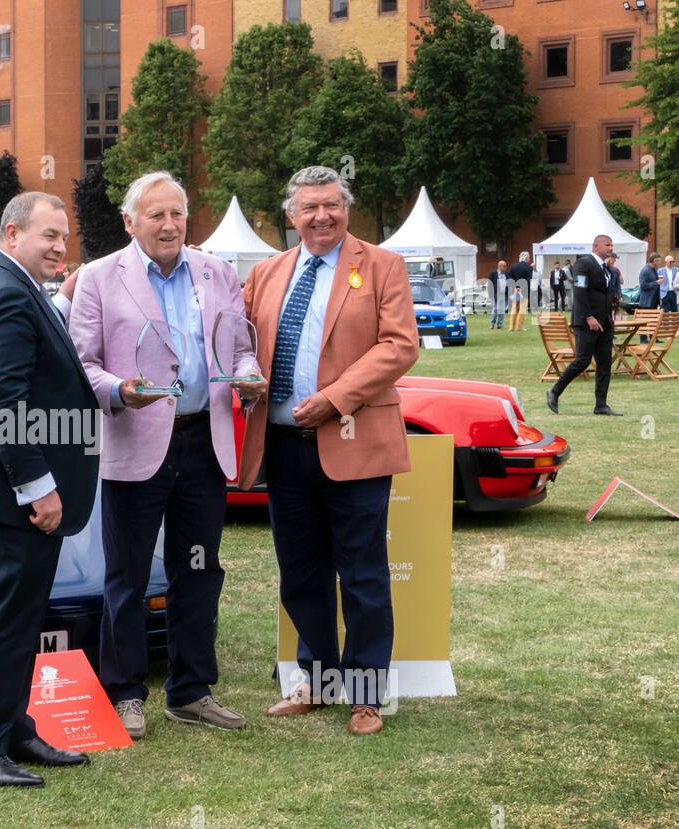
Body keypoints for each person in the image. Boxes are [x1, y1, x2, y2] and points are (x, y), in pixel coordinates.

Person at [64, 171, 266, 739]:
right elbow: (84, 365)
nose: (170, 224)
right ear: (130, 222)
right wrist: (120, 391)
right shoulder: (101, 279)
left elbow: (241, 346)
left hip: (203, 441)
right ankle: (125, 693)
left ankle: (192, 691)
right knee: (126, 576)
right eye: (156, 215)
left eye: (177, 213)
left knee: (199, 570)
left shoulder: (218, 272)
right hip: (135, 441)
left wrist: (247, 376)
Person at [237, 166, 418, 736]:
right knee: (300, 572)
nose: (322, 216)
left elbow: (399, 346)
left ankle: (365, 692)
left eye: (333, 205)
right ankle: (316, 678)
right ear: (291, 215)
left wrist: (334, 399)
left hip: (352, 439)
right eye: (310, 207)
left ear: (347, 208)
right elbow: (237, 335)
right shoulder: (266, 272)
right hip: (284, 447)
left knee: (362, 574)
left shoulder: (382, 266)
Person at [0, 192, 99, 788]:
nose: (60, 246)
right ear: (12, 234)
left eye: (64, 236)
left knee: (23, 613)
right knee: (9, 616)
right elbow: (7, 404)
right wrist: (39, 489)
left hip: (4, 489)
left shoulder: (10, 282)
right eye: (48, 235)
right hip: (9, 493)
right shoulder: (7, 292)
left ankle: (14, 729)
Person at [547, 235, 622, 417]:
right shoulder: (584, 264)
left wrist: (614, 303)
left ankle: (601, 405)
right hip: (586, 322)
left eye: (612, 244)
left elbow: (604, 292)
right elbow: (579, 292)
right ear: (596, 246)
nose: (610, 247)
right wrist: (589, 316)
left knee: (605, 365)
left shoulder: (607, 269)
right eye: (607, 244)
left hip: (605, 323)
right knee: (582, 361)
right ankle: (554, 392)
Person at [488, 261, 510, 329]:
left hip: (505, 294)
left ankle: (500, 324)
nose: (505, 267)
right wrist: (490, 294)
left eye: (505, 266)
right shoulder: (493, 274)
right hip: (496, 293)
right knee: (495, 309)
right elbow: (489, 285)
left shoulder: (507, 274)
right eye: (504, 266)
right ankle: (492, 323)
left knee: (502, 309)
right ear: (500, 266)